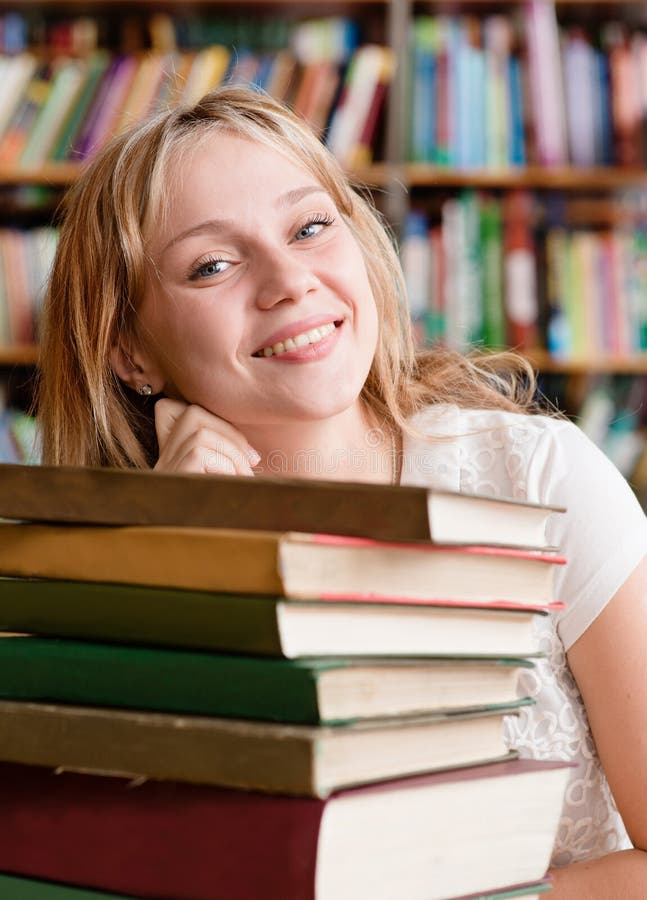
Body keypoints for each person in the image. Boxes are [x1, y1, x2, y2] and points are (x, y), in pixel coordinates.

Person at [38, 86, 647, 896]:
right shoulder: (97, 579)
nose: (289, 280)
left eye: (309, 227)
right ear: (131, 355)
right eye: (212, 264)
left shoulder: (540, 480)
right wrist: (169, 558)